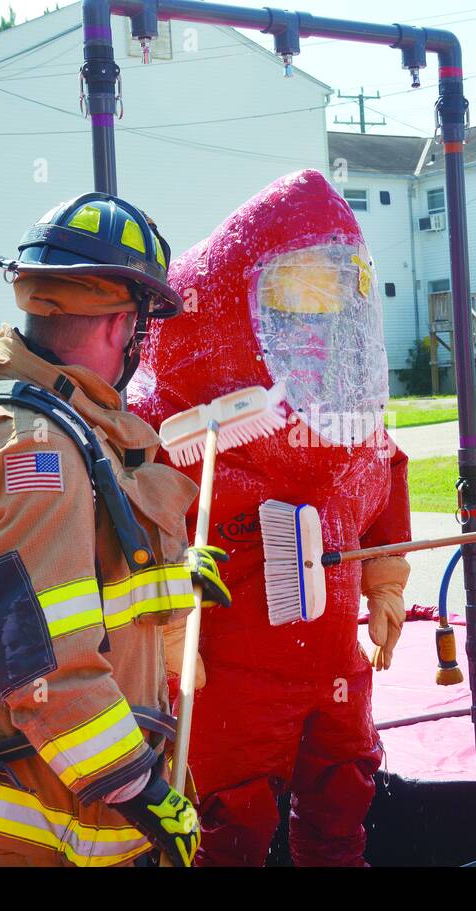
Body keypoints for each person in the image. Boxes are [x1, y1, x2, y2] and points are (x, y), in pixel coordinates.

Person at [0, 193, 229, 867]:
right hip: (15, 843)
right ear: (120, 324)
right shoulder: (33, 451)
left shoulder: (14, 422)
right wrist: (143, 789)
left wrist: (168, 573)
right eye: (142, 324)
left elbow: (47, 588)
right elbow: (47, 671)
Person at [131, 169, 411, 866]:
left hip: (332, 663)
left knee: (342, 790)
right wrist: (167, 628)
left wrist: (385, 582)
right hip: (230, 673)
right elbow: (130, 523)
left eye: (340, 290)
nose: (323, 314)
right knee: (229, 813)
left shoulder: (350, 425)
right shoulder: (170, 422)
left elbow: (384, 483)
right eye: (301, 293)